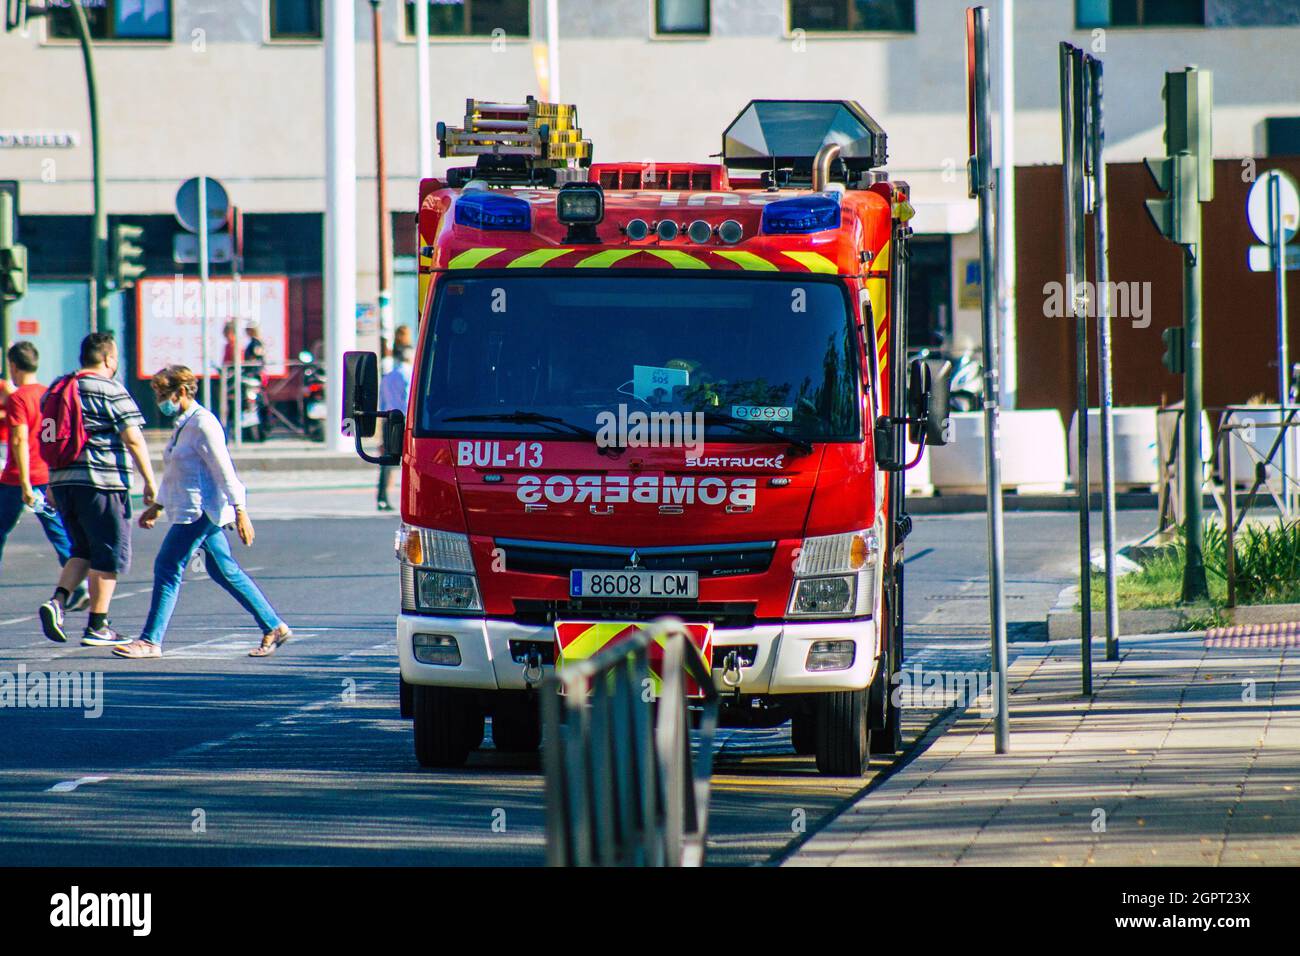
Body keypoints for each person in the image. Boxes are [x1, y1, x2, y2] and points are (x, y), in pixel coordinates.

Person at [113, 366, 291, 659]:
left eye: (164, 395)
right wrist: (157, 506)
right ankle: (274, 626)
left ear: (182, 392)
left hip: (200, 512)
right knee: (224, 570)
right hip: (191, 509)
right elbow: (176, 473)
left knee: (168, 567)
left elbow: (224, 470)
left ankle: (150, 640)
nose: (161, 401)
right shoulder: (185, 425)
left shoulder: (203, 424)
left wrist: (240, 510)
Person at [38, 332, 158, 647]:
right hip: (101, 483)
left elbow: (51, 436)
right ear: (107, 358)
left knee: (82, 549)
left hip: (63, 483)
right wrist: (149, 479)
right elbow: (132, 437)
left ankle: (58, 601)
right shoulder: (110, 389)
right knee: (108, 553)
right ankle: (97, 625)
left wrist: (52, 480)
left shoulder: (57, 388)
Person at [0, 342, 88, 608]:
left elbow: (19, 440)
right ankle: (79, 584)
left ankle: (78, 586)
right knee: (58, 530)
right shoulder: (49, 394)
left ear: (13, 366)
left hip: (20, 478)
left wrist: (25, 483)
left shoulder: (19, 398)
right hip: (48, 473)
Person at [376, 343, 412, 511]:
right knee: (410, 460)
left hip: (388, 419)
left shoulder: (388, 376)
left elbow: (382, 402)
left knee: (387, 460)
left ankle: (382, 496)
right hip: (404, 419)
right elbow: (408, 399)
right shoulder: (409, 374)